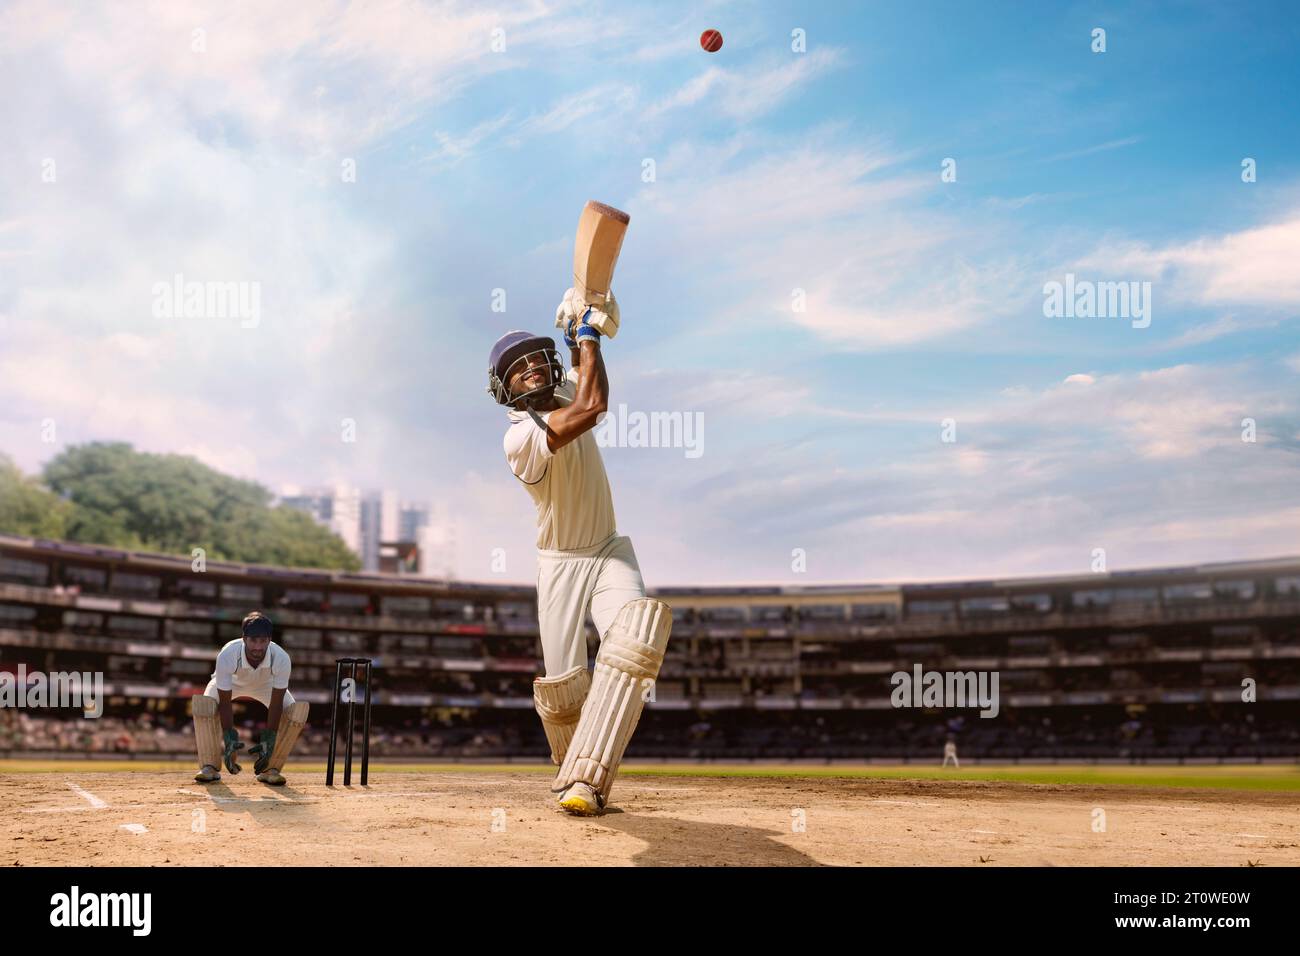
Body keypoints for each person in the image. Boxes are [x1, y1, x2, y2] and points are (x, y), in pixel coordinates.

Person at [486, 288, 672, 815]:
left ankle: (590, 782)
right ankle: (570, 773)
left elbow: (588, 385)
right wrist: (587, 337)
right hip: (560, 564)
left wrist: (582, 336)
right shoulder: (520, 438)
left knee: (634, 637)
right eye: (516, 370)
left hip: (610, 549)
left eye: (535, 361)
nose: (530, 372)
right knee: (565, 693)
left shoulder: (565, 387)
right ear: (505, 389)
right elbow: (594, 407)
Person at [190, 611, 309, 786]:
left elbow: (276, 705)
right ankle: (210, 766)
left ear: (269, 640)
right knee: (204, 706)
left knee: (296, 713)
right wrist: (229, 736)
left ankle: (271, 769)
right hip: (233, 682)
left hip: (266, 685)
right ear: (244, 639)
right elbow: (224, 701)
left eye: (263, 641)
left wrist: (269, 739)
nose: (258, 647)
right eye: (253, 640)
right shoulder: (228, 653)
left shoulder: (281, 658)